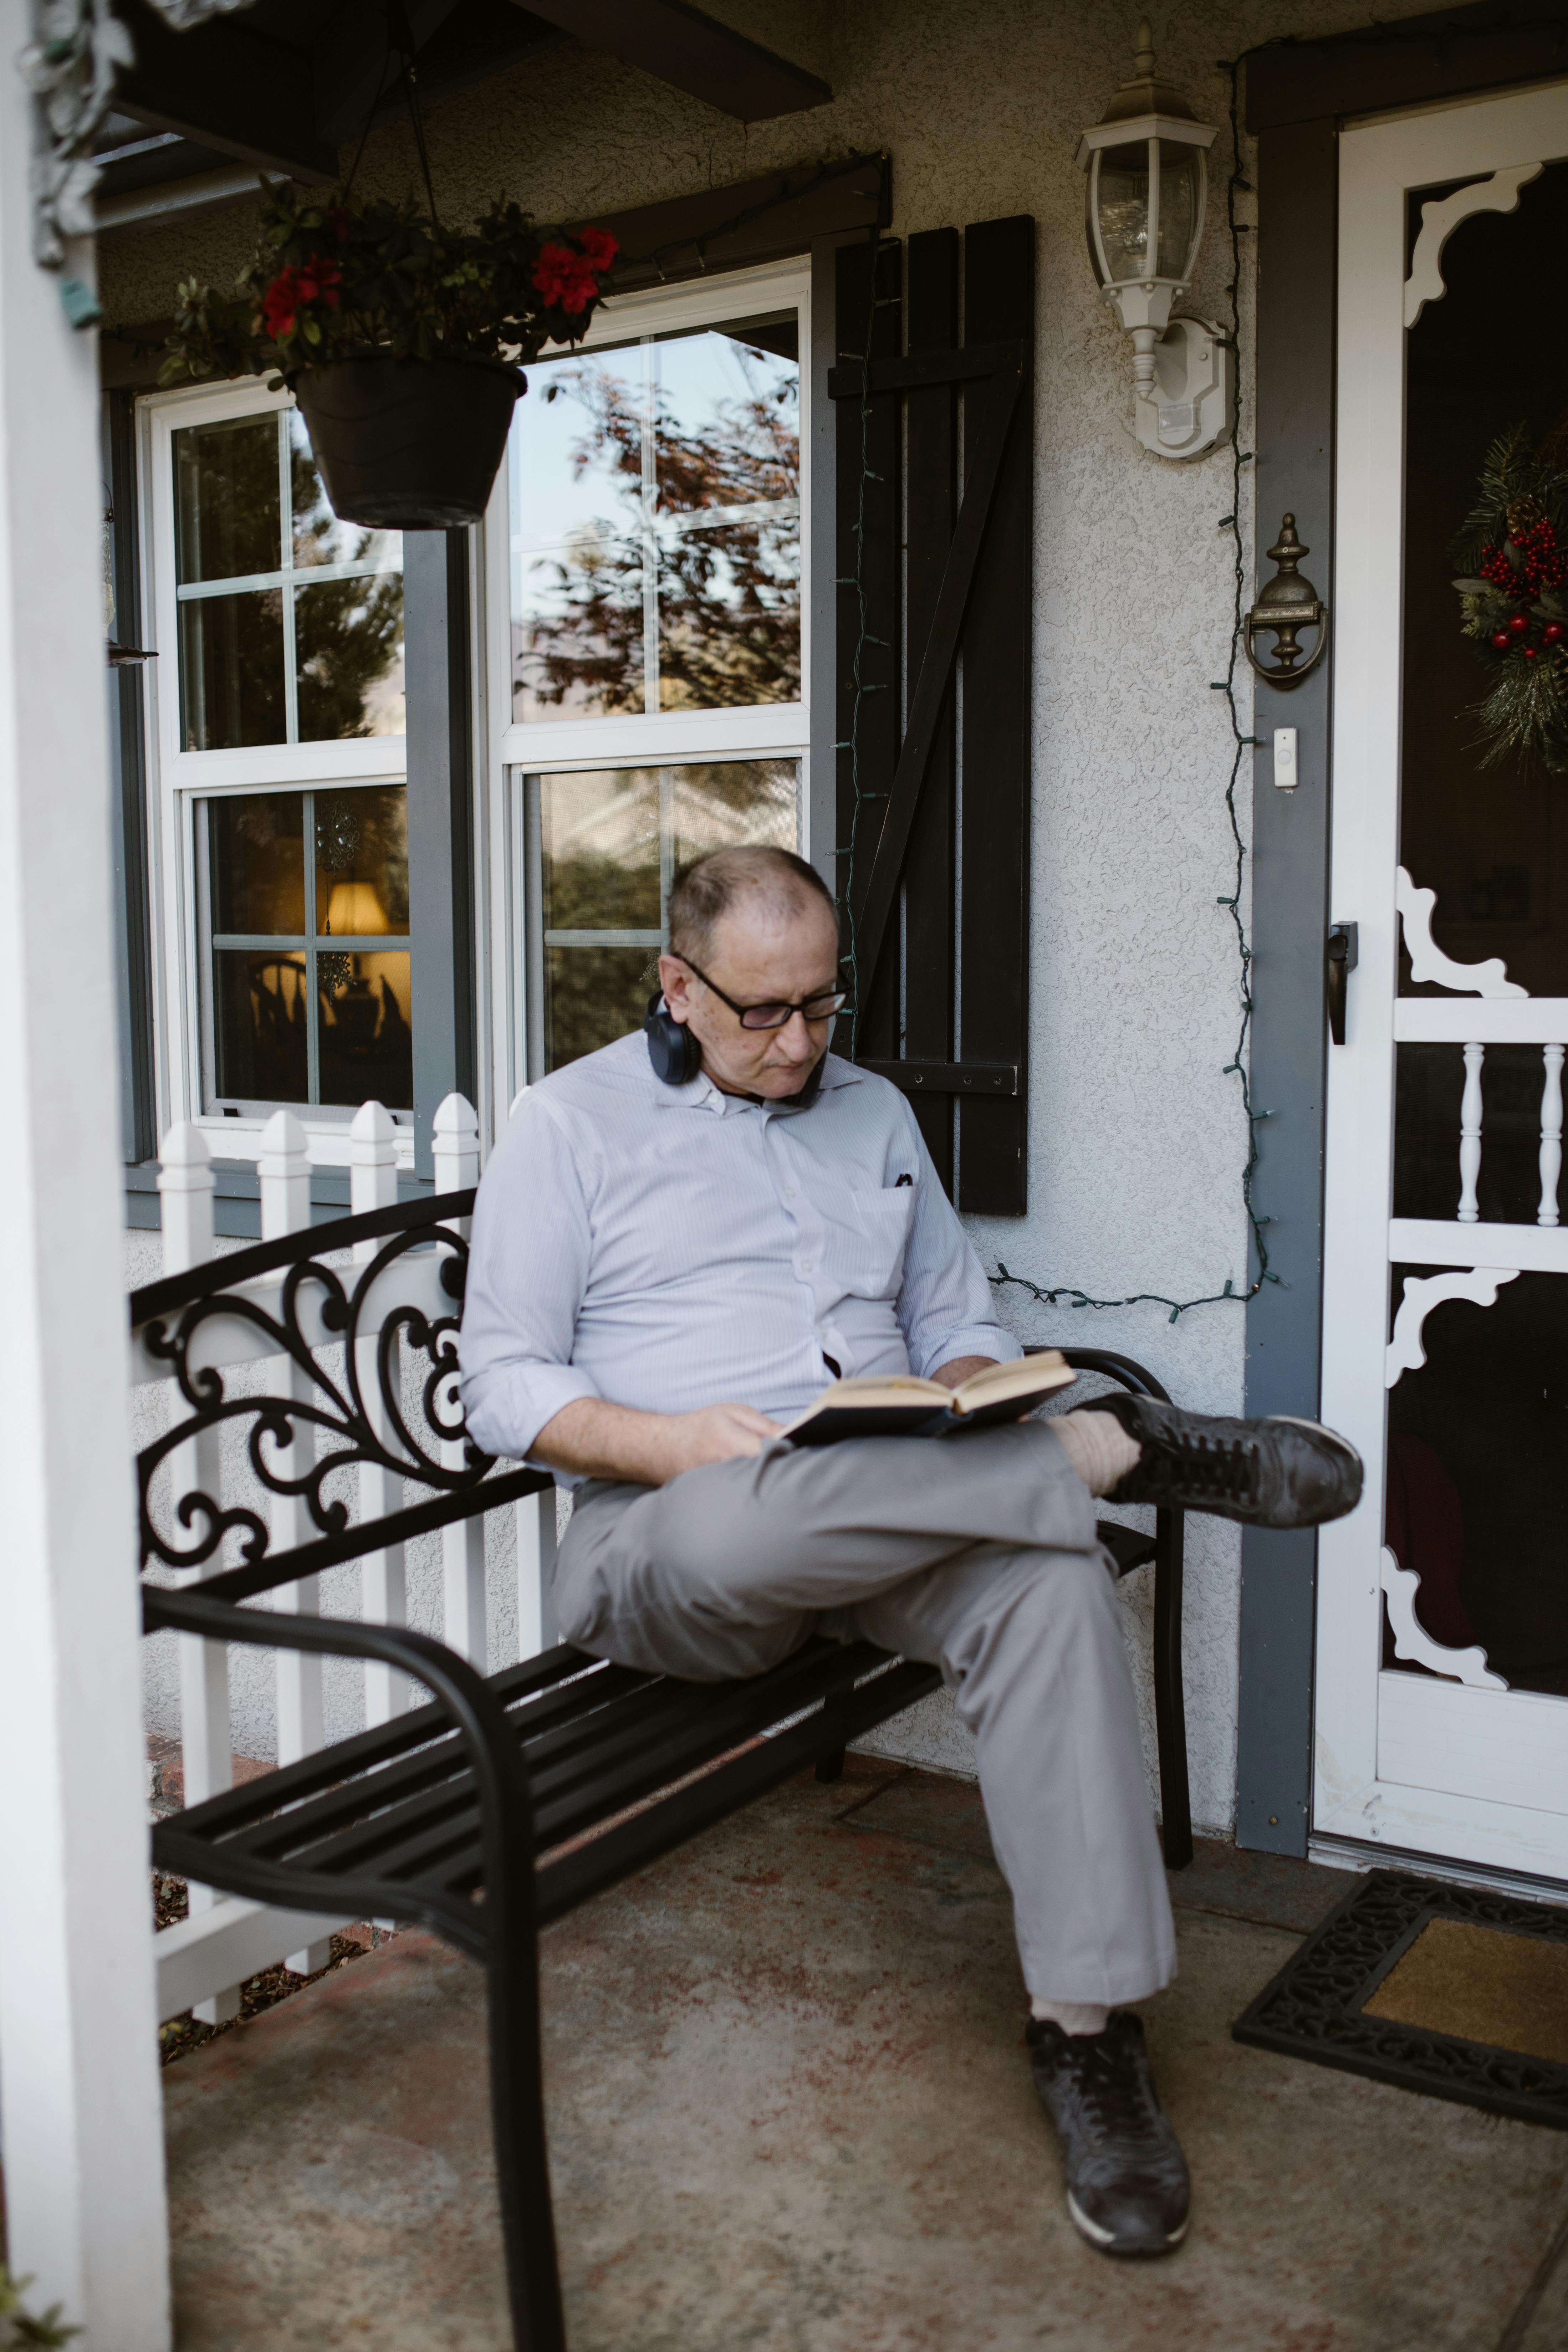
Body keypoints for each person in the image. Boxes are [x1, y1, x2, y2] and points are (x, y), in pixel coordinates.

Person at [459, 844, 1361, 2260]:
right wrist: (666, 1438)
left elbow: (957, 1310)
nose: (800, 1041)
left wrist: (968, 1386)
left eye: (822, 1003)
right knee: (761, 1491)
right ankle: (1104, 1448)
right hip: (677, 1538)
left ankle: (1084, 2028)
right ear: (674, 985)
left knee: (1047, 1583)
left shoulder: (866, 1108)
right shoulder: (565, 1127)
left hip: (896, 1504)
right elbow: (499, 1384)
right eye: (762, 1011)